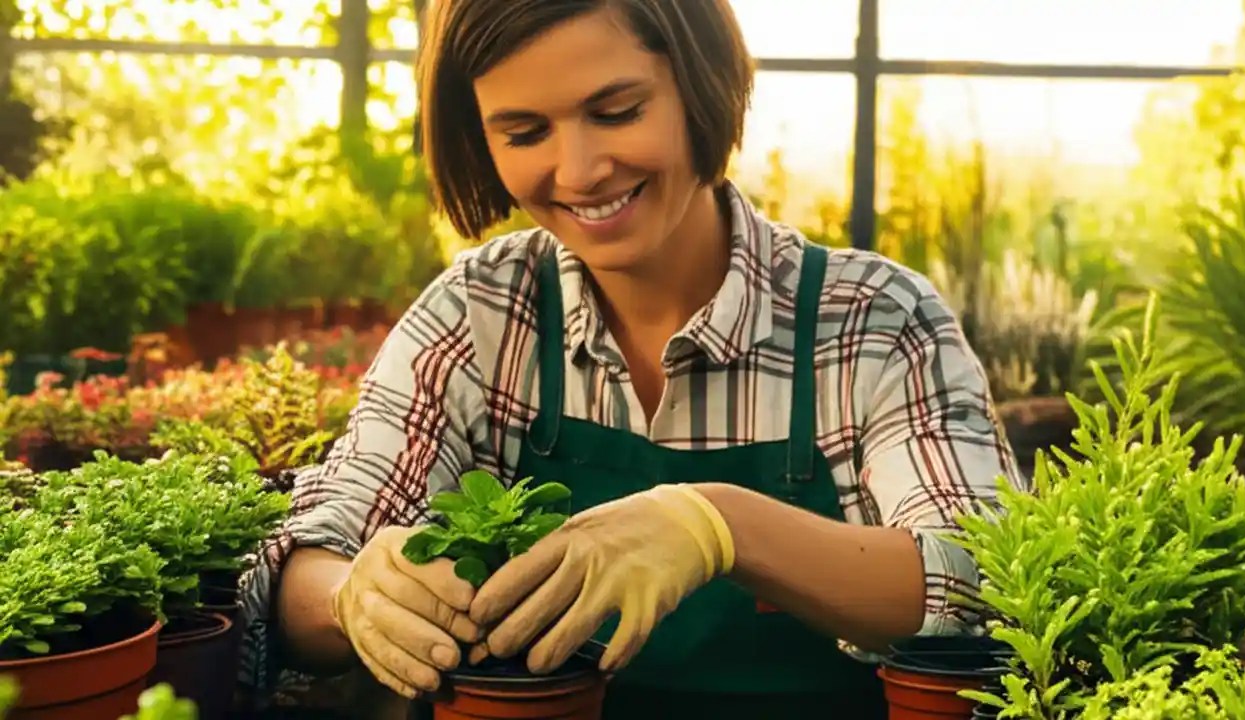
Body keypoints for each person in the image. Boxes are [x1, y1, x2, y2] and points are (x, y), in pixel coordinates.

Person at [236, 0, 1026, 718]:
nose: (578, 172)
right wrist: (353, 596)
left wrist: (720, 525)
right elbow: (303, 570)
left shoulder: (872, 321)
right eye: (524, 133)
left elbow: (987, 578)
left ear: (701, 85)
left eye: (616, 111)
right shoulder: (480, 317)